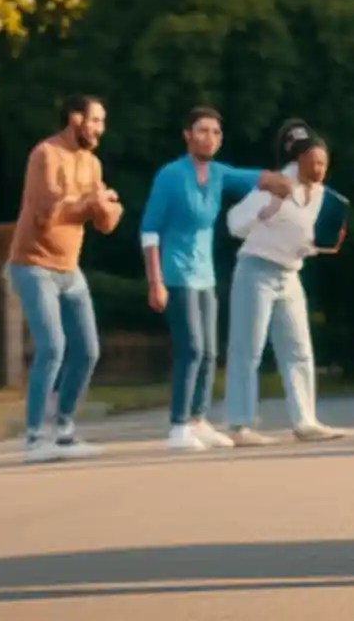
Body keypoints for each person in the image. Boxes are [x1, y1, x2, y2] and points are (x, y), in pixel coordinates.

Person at [139, 106, 294, 452]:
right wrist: (155, 281)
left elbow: (254, 177)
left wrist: (281, 183)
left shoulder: (218, 173)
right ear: (187, 135)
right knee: (191, 348)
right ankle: (179, 425)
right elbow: (149, 230)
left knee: (209, 351)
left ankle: (198, 419)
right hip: (175, 274)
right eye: (202, 131)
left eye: (215, 132)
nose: (209, 137)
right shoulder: (171, 175)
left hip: (205, 275)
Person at [7, 94, 124, 463]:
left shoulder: (92, 163)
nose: (100, 129)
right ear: (75, 119)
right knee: (53, 347)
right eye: (95, 121)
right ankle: (33, 437)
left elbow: (105, 224)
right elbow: (45, 213)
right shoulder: (45, 155)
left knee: (88, 350)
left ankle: (64, 431)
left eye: (102, 122)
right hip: (33, 264)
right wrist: (91, 204)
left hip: (70, 270)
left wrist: (106, 207)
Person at [222, 121, 348, 445]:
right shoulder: (275, 183)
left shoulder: (321, 196)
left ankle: (305, 421)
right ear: (297, 160)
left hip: (290, 272)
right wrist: (266, 209)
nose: (320, 168)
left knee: (299, 350)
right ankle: (240, 425)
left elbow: (304, 240)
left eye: (324, 162)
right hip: (256, 269)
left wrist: (323, 246)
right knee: (247, 349)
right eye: (314, 162)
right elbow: (235, 223)